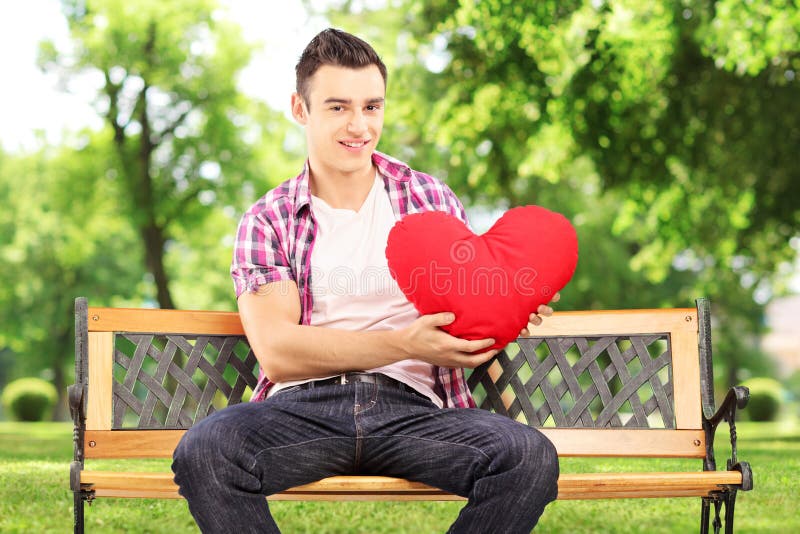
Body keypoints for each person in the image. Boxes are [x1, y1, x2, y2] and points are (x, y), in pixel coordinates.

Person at [172, 28, 559, 533]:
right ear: (300, 108)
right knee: (206, 451)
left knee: (527, 456)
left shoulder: (431, 199)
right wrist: (402, 342)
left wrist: (507, 309)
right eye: (338, 108)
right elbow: (279, 352)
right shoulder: (270, 219)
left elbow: (464, 326)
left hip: (417, 412)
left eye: (372, 107)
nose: (359, 126)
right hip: (303, 411)